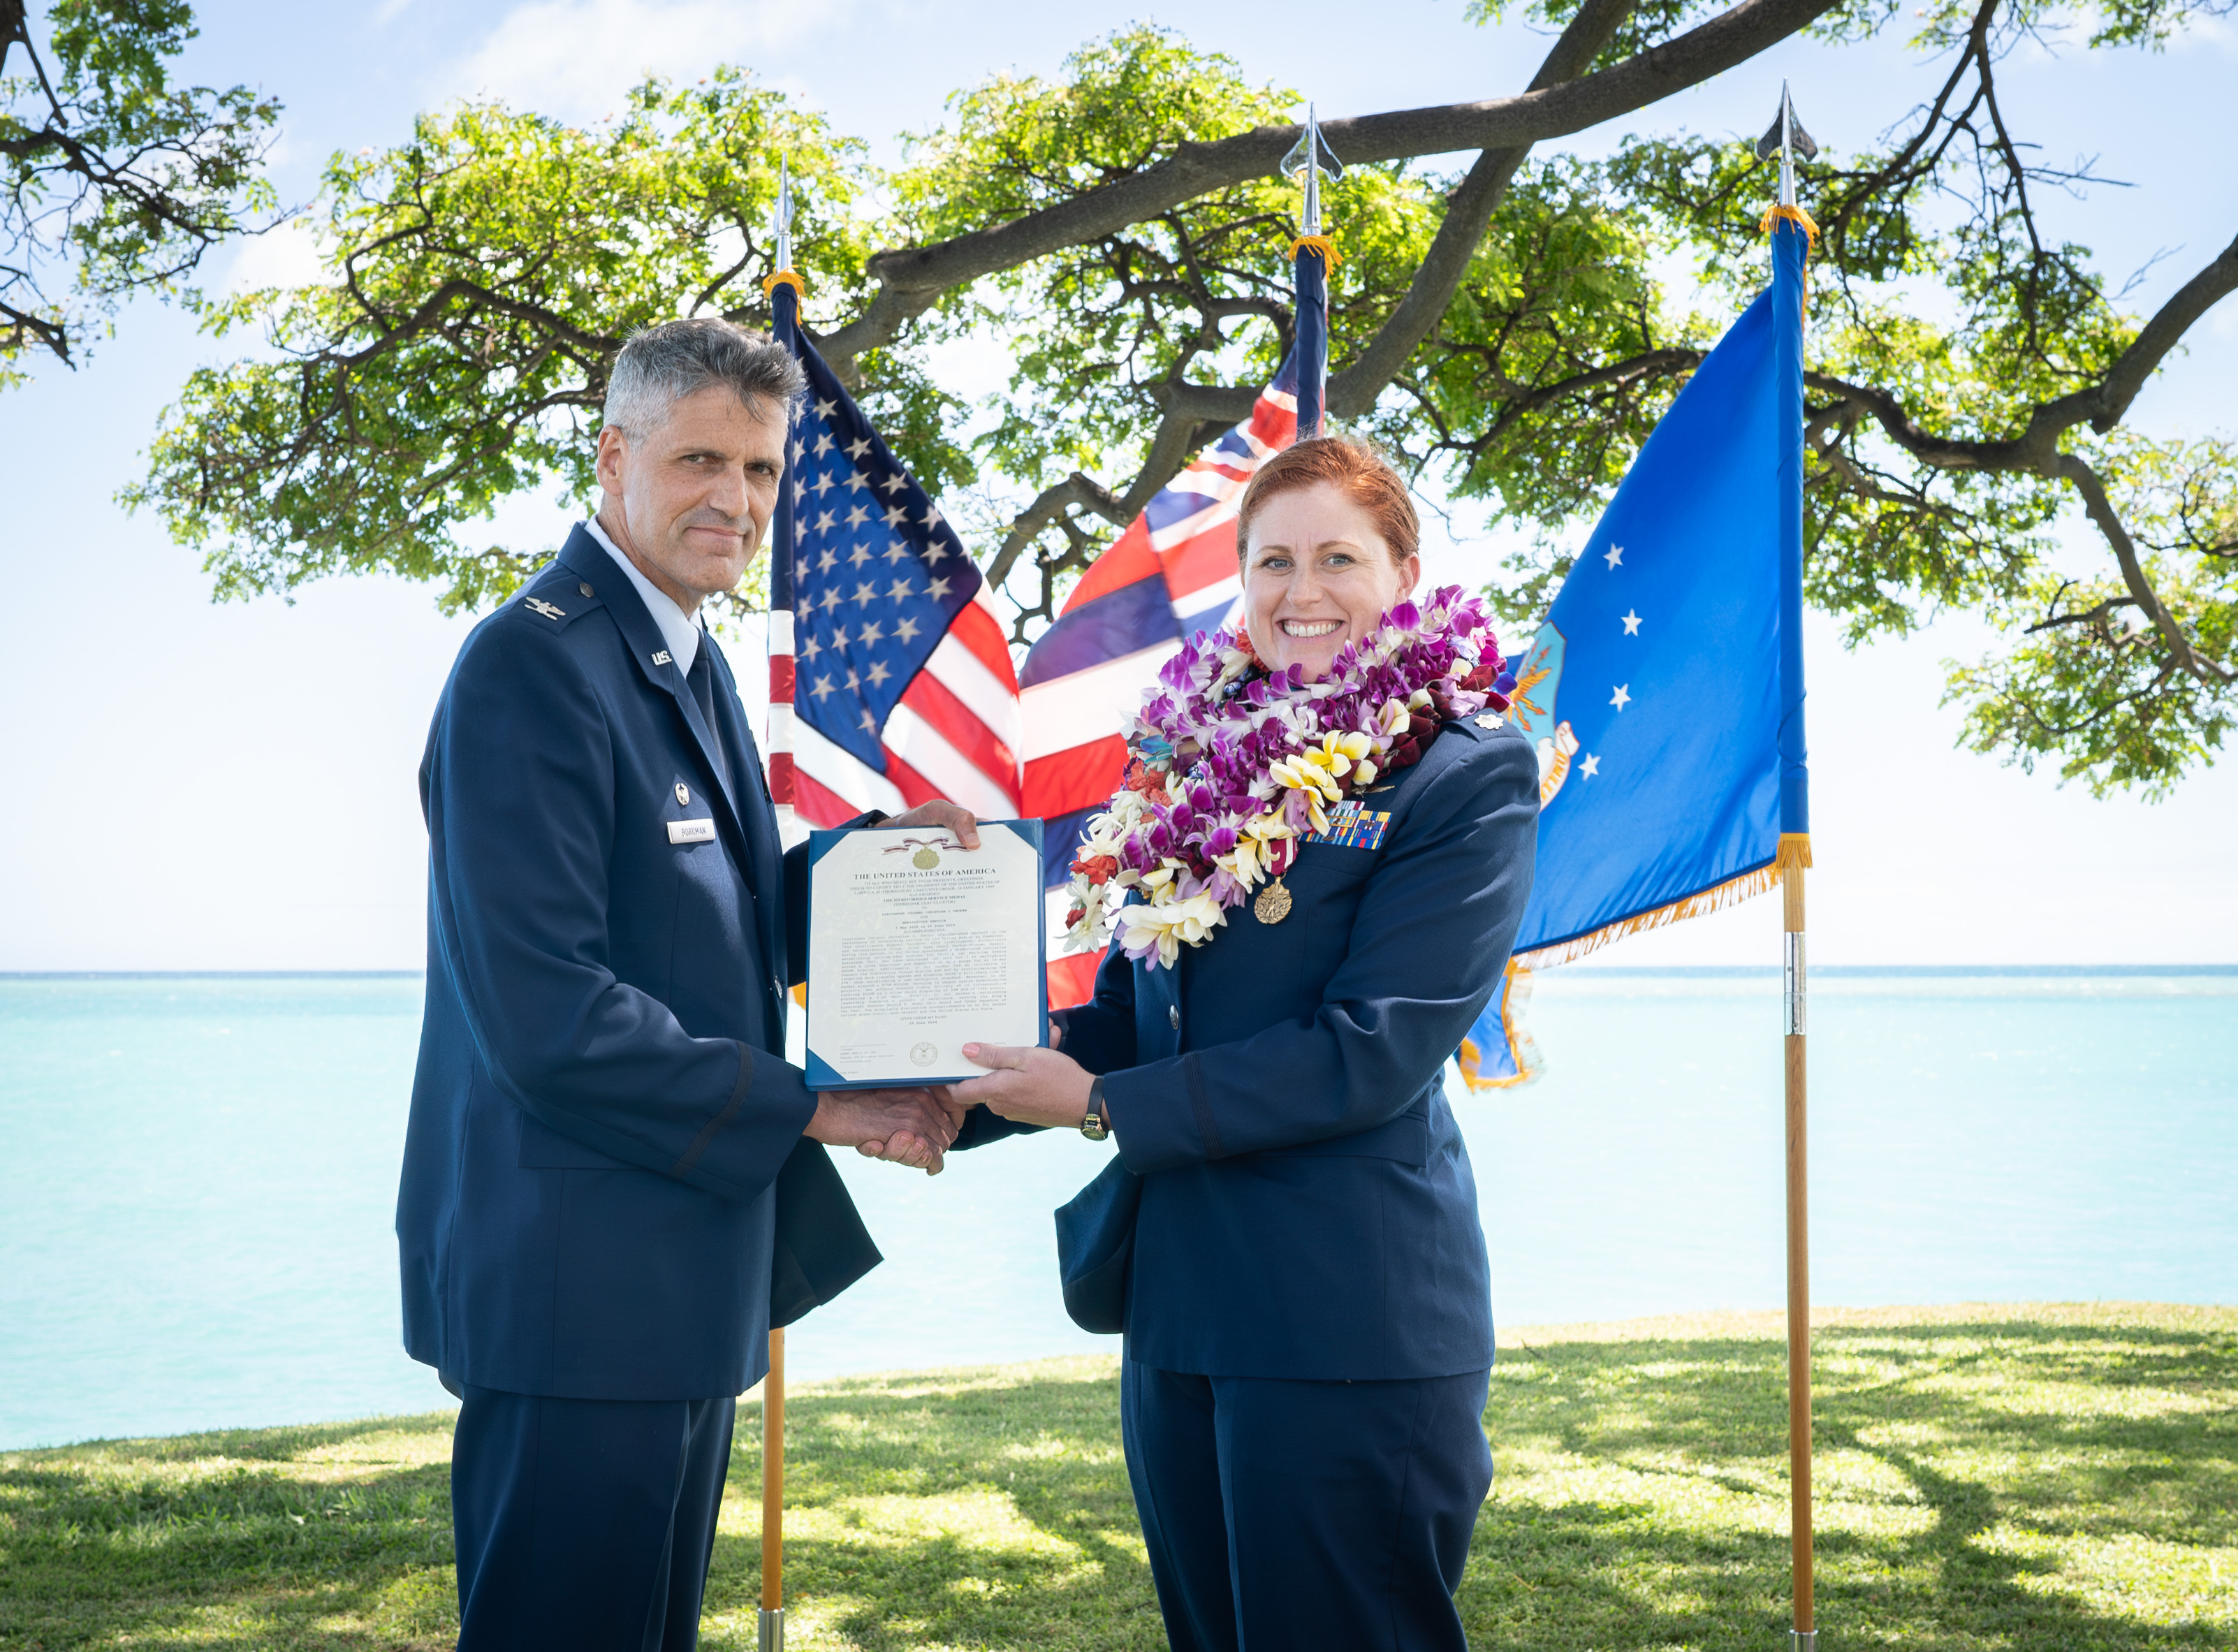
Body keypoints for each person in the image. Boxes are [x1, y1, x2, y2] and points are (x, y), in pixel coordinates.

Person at [396, 316, 970, 1652]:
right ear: (614, 456)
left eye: (763, 471)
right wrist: (819, 1109)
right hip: (576, 1292)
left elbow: (724, 913)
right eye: (702, 458)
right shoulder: (532, 663)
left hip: (681, 1273)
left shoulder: (685, 653)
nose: (739, 499)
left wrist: (886, 875)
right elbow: (553, 1014)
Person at [949, 434, 1539, 1651]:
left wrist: (1106, 1107)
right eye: (1272, 562)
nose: (1301, 593)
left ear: (1405, 570)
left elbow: (1369, 1050)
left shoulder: (1464, 775)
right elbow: (1123, 1018)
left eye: (1338, 557)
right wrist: (944, 1092)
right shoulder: (1197, 767)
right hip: (1182, 1311)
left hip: (1343, 1320)